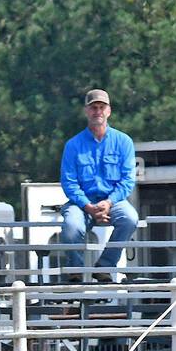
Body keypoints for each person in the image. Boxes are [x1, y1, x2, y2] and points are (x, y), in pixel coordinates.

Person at [59, 89, 139, 281]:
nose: (98, 111)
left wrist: (108, 203)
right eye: (93, 107)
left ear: (109, 111)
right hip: (81, 204)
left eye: (101, 107)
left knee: (130, 218)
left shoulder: (123, 142)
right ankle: (75, 270)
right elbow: (68, 182)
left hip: (112, 201)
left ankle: (105, 266)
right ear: (86, 111)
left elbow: (128, 180)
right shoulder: (73, 145)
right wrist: (88, 206)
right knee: (71, 227)